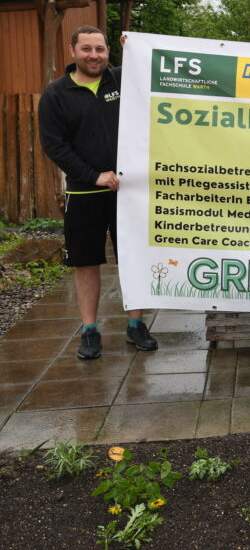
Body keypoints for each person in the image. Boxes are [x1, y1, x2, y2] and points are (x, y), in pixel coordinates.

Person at [38, 25, 157, 359]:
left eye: (101, 49)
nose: (94, 56)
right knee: (86, 262)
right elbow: (55, 146)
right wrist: (94, 176)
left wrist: (137, 47)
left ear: (109, 51)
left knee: (133, 257)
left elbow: (154, 69)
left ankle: (136, 325)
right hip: (85, 193)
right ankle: (90, 330)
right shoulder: (56, 94)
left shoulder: (122, 80)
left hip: (130, 191)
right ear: (73, 51)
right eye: (87, 49)